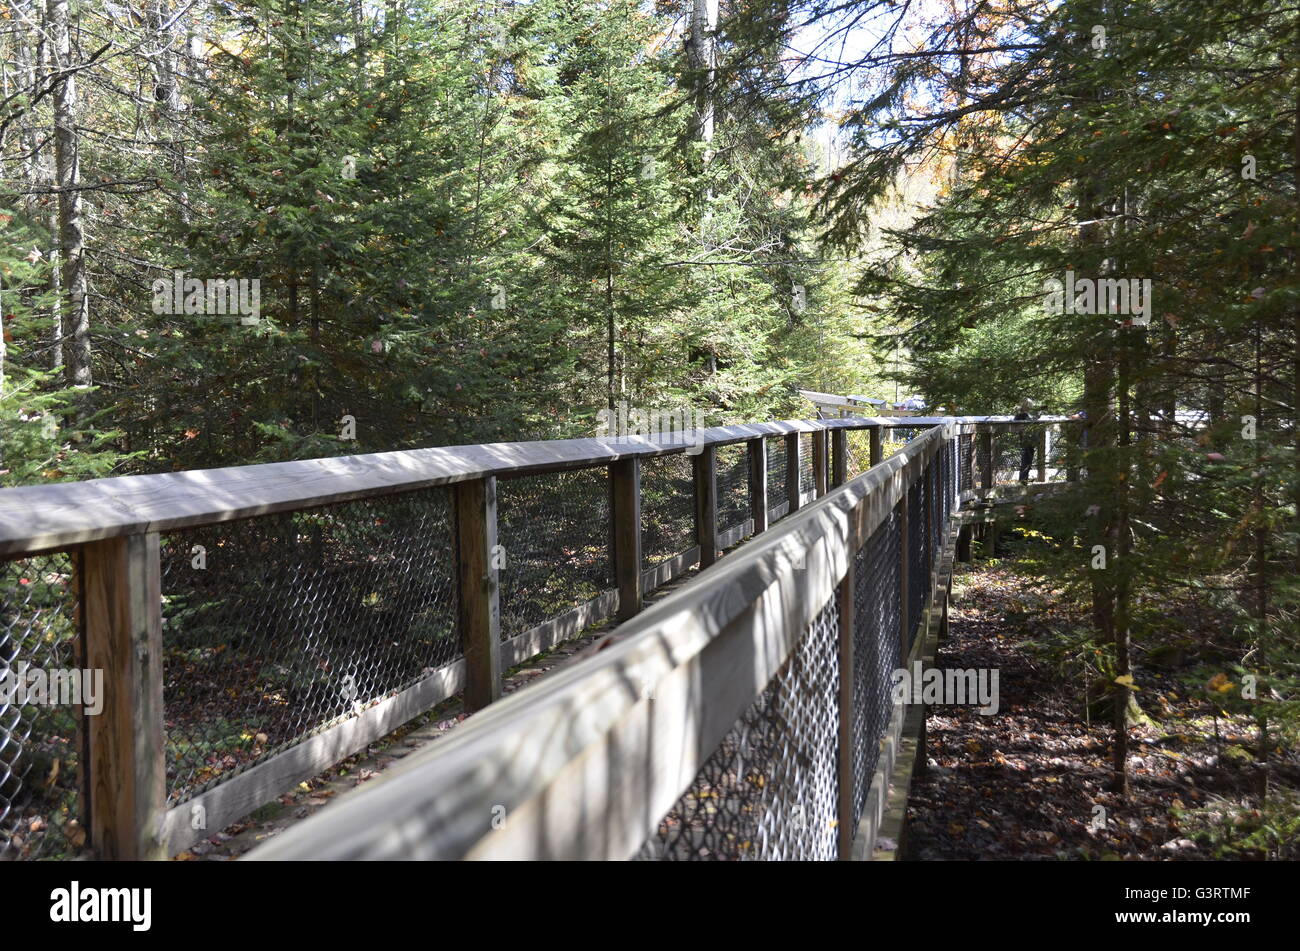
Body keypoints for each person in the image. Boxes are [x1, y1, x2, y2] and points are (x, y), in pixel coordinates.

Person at [1014, 398, 1038, 483]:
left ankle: (1023, 480)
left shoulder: (1023, 415)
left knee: (1027, 460)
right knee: (1026, 460)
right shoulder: (1023, 415)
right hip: (1027, 441)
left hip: (1029, 441)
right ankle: (1023, 481)